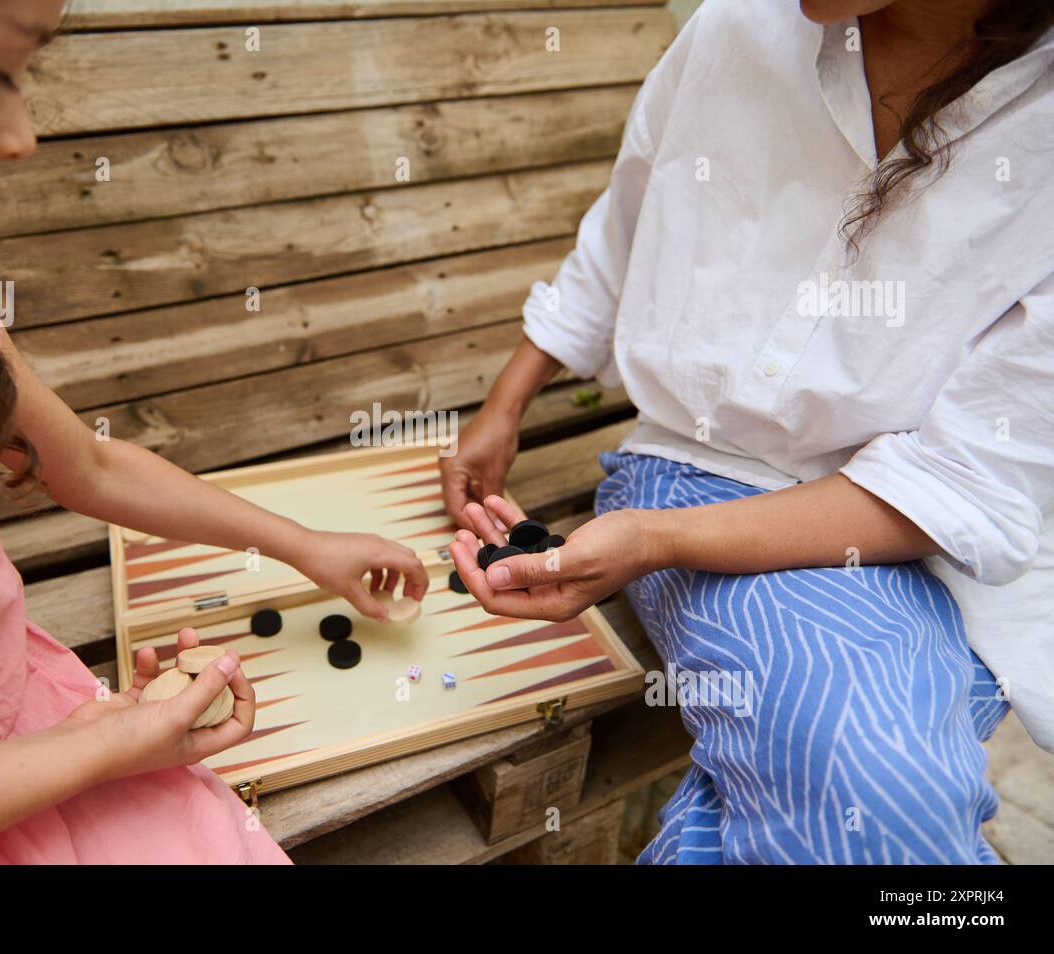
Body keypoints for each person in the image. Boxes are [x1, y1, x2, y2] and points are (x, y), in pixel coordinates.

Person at [0, 0, 426, 864]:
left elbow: (94, 465)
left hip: (27, 735)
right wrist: (91, 750)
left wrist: (302, 545)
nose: (21, 134)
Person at [445, 0, 1054, 863]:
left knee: (873, 791)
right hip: (701, 476)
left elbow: (962, 486)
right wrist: (506, 404)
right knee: (894, 791)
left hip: (935, 543)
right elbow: (620, 228)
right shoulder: (737, 26)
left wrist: (656, 543)